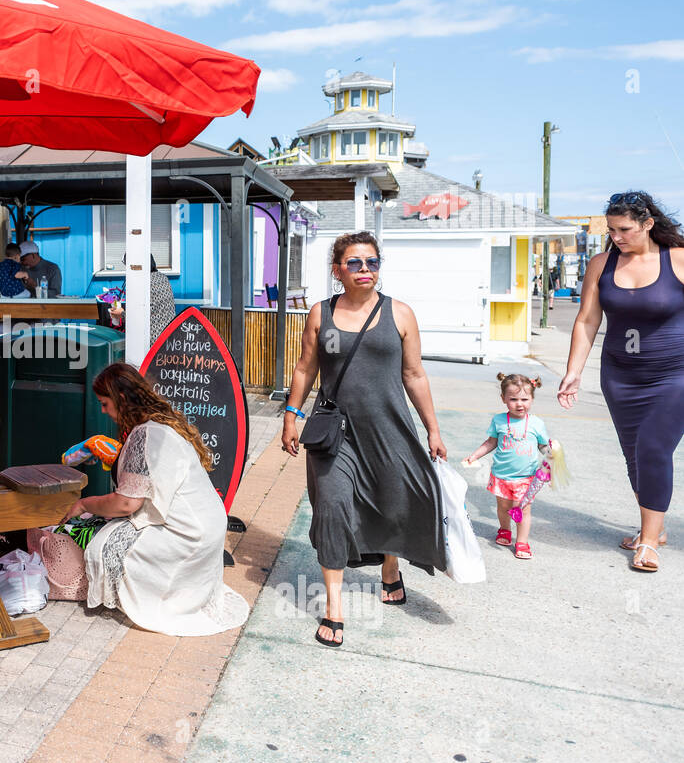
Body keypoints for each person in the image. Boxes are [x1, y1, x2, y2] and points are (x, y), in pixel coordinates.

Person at [281, 231, 447, 648]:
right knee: (333, 507)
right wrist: (291, 415)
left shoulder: (401, 314)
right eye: (354, 263)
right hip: (335, 431)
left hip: (390, 428)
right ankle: (334, 608)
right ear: (337, 270)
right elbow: (305, 368)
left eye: (372, 262)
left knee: (392, 503)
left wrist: (433, 428)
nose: (365, 270)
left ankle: (390, 567)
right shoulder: (322, 314)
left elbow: (414, 375)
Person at [59, 363, 248, 635]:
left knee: (106, 543)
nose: (103, 410)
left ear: (121, 399)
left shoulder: (145, 434)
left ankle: (155, 594)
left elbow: (126, 503)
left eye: (104, 403)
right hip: (209, 530)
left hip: (190, 536)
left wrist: (84, 504)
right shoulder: (160, 423)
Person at [558, 191, 684, 574]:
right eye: (611, 230)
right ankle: (654, 526)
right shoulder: (602, 264)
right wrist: (574, 371)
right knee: (633, 454)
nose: (616, 237)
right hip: (619, 375)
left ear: (648, 224)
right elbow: (586, 320)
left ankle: (648, 542)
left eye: (624, 229)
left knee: (652, 447)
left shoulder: (677, 260)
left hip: (673, 375)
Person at [464, 374, 553, 560]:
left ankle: (522, 541)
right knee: (503, 507)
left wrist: (552, 454)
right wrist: (475, 455)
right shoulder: (499, 421)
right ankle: (505, 529)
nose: (519, 404)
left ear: (532, 399)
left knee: (522, 509)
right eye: (513, 399)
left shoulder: (536, 424)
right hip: (501, 475)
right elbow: (491, 442)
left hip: (526, 477)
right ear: (503, 398)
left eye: (524, 399)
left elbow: (543, 446)